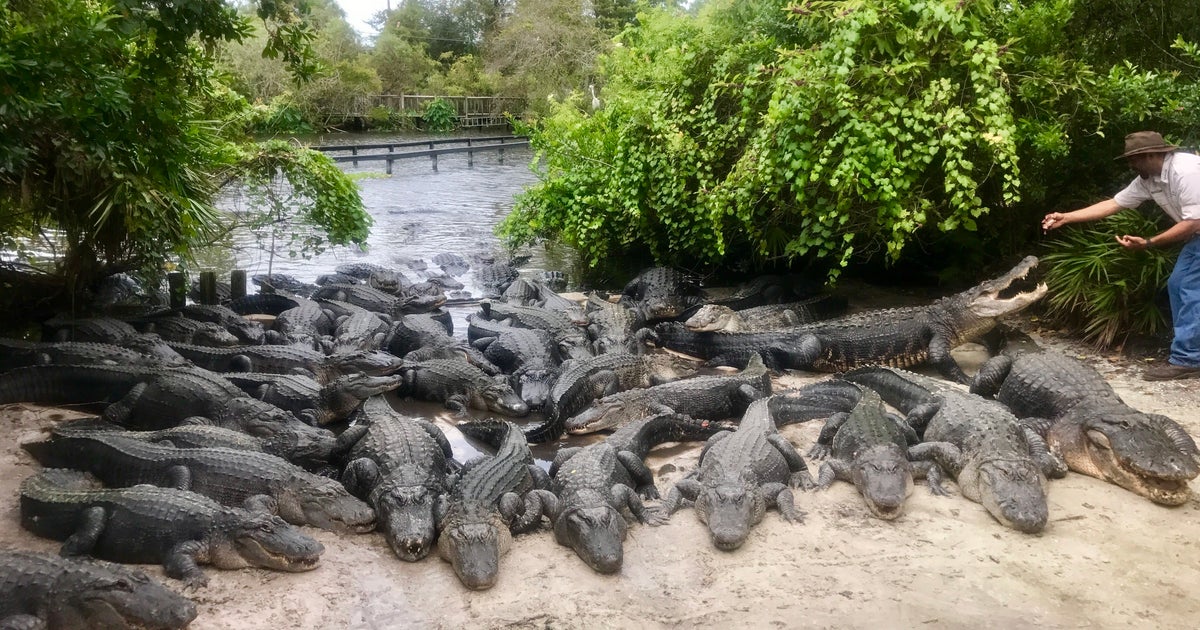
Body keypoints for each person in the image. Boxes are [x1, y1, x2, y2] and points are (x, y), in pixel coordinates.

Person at [1042, 131, 1200, 380]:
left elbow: (1192, 222)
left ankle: (1188, 359)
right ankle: (1190, 356)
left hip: (1196, 230)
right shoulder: (1149, 179)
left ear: (1149, 155)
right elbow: (1114, 204)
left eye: (1133, 159)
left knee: (1188, 285)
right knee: (1180, 284)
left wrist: (1149, 242)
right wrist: (1067, 217)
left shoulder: (1186, 171)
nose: (1131, 165)